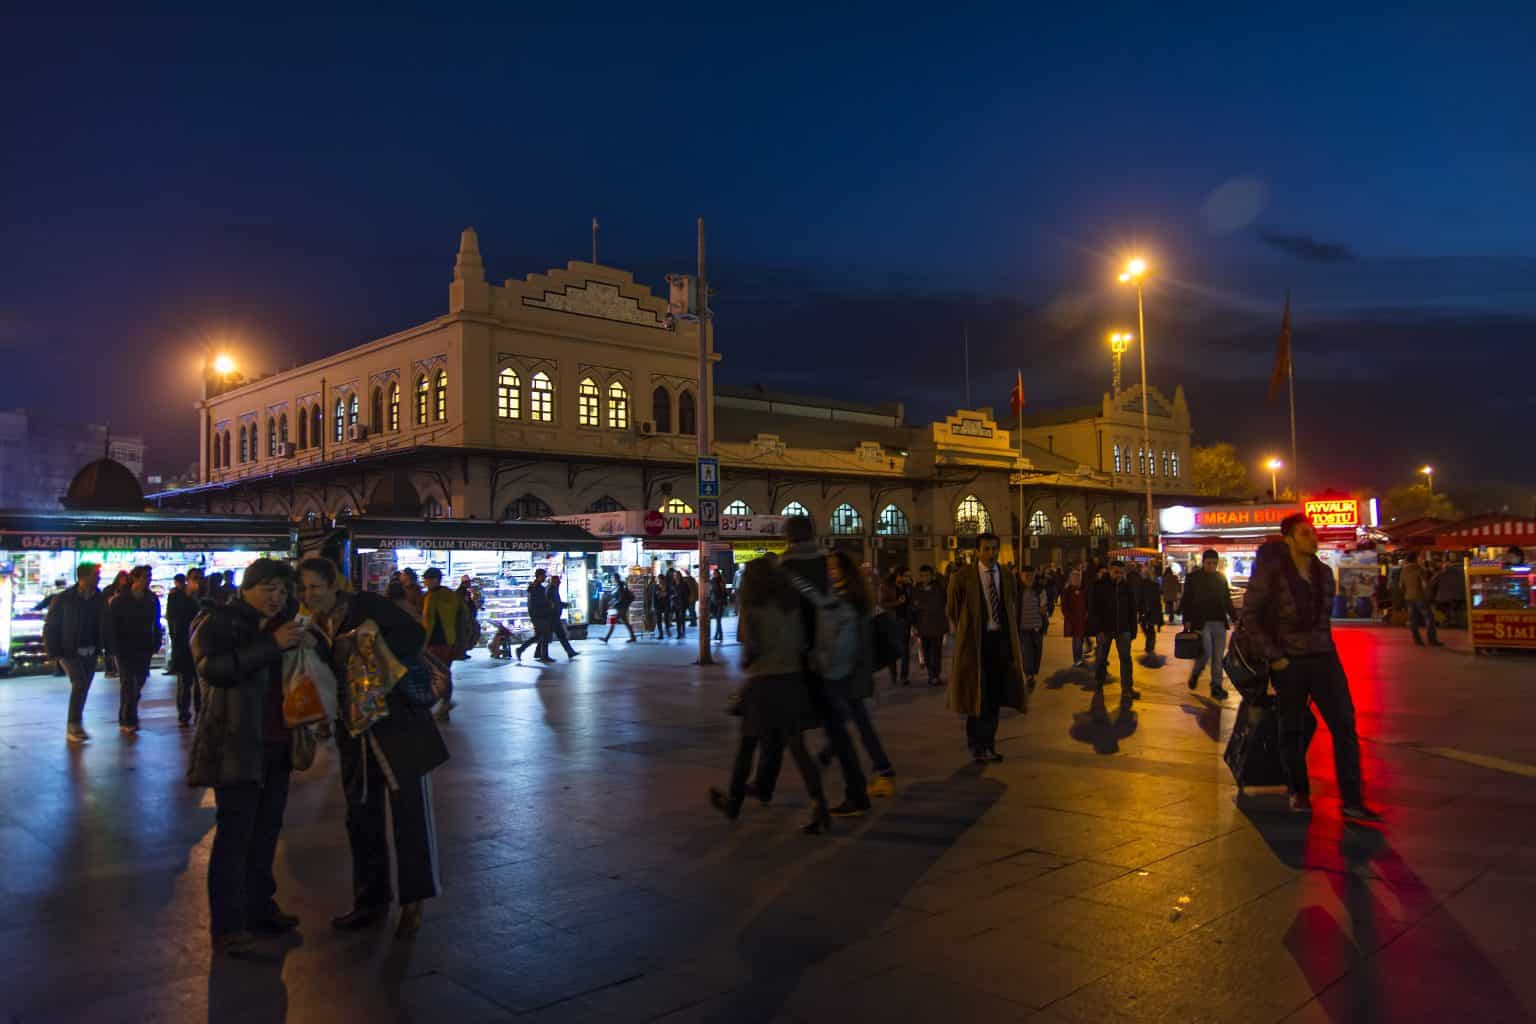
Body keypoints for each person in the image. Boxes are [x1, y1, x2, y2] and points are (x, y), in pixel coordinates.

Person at [297, 557, 449, 938]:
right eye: (304, 588)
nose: (309, 595)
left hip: (399, 728)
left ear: (335, 585)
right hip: (353, 733)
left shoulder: (367, 606)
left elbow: (414, 637)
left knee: (409, 816)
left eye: (315, 586)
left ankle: (414, 901)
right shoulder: (312, 627)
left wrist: (372, 637)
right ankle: (370, 901)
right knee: (360, 817)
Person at [188, 558, 304, 958]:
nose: (277, 597)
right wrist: (270, 646)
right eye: (269, 588)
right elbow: (212, 668)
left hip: (277, 743)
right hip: (236, 744)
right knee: (235, 837)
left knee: (267, 831)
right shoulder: (219, 622)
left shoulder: (286, 625)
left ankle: (261, 908)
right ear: (248, 586)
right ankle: (228, 925)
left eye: (283, 590)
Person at [1242, 515, 1381, 821]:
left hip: (1323, 657)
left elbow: (1323, 620)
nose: (1313, 538)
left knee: (1344, 725)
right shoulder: (1273, 574)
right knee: (1291, 727)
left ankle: (1352, 799)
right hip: (1288, 661)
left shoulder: (1324, 573)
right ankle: (1298, 790)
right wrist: (1274, 656)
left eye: (1314, 533)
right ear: (1289, 539)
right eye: (1305, 534)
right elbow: (1249, 616)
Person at [709, 558, 830, 834]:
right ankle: (819, 805)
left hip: (764, 684)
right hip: (792, 681)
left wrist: (747, 662)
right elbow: (801, 645)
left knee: (747, 746)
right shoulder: (791, 607)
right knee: (799, 749)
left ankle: (733, 803)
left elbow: (751, 651)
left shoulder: (753, 609)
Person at [781, 516, 869, 815]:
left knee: (792, 735)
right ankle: (856, 793)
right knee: (836, 730)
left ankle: (816, 802)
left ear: (788, 536)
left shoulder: (784, 569)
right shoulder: (825, 564)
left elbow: (784, 616)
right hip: (827, 655)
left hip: (800, 659)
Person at [945, 532, 1029, 764]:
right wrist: (966, 629)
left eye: (994, 549)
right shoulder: (963, 577)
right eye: (986, 549)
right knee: (977, 697)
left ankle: (989, 744)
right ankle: (976, 745)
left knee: (994, 697)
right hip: (975, 645)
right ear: (977, 552)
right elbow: (952, 609)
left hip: (999, 643)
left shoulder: (1007, 577)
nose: (991, 554)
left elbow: (1010, 606)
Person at [824, 550, 896, 799]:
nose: (831, 573)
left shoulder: (849, 599)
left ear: (845, 572)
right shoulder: (847, 595)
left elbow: (851, 642)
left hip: (849, 673)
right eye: (829, 569)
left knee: (859, 724)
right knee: (852, 720)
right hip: (851, 672)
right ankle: (829, 753)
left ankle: (884, 771)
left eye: (834, 569)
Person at [43, 562, 106, 743]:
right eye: (95, 574)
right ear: (83, 577)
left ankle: (76, 723)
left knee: (84, 686)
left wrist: (106, 646)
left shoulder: (98, 598)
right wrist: (54, 652)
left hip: (91, 649)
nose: (98, 578)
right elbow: (51, 626)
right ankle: (74, 725)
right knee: (79, 683)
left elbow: (104, 623)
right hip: (68, 650)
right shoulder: (64, 599)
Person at [104, 565, 163, 734]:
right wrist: (113, 647)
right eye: (145, 577)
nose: (148, 580)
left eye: (150, 577)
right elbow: (112, 625)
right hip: (125, 647)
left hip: (144, 646)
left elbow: (156, 622)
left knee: (140, 680)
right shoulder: (120, 600)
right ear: (135, 578)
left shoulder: (151, 599)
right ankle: (128, 717)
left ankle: (130, 712)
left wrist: (156, 641)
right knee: (128, 683)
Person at [1181, 549, 1236, 700]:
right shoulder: (1193, 578)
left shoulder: (1220, 578)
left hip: (1219, 621)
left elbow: (1227, 600)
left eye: (1214, 563)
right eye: (1209, 563)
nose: (1212, 566)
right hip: (1201, 622)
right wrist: (1186, 620)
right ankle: (1196, 673)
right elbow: (1187, 599)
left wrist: (1235, 618)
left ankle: (1216, 686)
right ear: (1203, 562)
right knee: (1206, 653)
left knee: (1218, 656)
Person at [1087, 560, 1140, 701]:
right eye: (1116, 572)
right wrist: (1098, 630)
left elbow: (1132, 609)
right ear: (1110, 571)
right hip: (1105, 629)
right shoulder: (1100, 586)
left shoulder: (1127, 587)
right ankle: (1099, 681)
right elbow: (1094, 609)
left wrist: (1132, 630)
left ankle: (1127, 688)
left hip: (1123, 629)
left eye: (1122, 573)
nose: (1119, 575)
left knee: (1126, 659)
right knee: (1101, 658)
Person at [420, 568, 462, 719]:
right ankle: (445, 703)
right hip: (450, 640)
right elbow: (461, 613)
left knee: (434, 674)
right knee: (445, 673)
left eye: (426, 579)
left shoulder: (431, 597)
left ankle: (437, 705)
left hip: (435, 642)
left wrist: (422, 642)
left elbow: (428, 622)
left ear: (434, 580)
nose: (424, 582)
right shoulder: (450, 594)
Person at [166, 567, 206, 725]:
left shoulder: (202, 598)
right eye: (195, 578)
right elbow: (174, 620)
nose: (198, 581)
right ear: (188, 580)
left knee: (199, 682)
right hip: (183, 645)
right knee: (185, 681)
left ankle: (199, 712)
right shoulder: (176, 598)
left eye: (200, 578)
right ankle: (184, 714)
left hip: (200, 646)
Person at [910, 565, 948, 686]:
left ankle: (935, 675)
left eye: (927, 575)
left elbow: (940, 604)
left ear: (932, 576)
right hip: (923, 626)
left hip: (937, 626)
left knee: (936, 653)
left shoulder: (939, 589)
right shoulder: (917, 589)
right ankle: (931, 674)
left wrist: (921, 605)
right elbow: (914, 606)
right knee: (926, 652)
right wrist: (915, 625)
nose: (924, 578)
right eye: (922, 576)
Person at [878, 567, 914, 685]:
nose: (907, 578)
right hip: (892, 621)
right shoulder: (886, 586)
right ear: (898, 575)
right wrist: (898, 603)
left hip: (905, 621)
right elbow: (883, 603)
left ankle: (904, 676)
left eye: (908, 576)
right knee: (893, 649)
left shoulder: (908, 586)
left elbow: (911, 602)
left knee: (905, 650)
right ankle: (893, 674)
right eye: (905, 576)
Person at [1398, 552, 1441, 647]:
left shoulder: (1403, 570)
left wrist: (1407, 591)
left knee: (1413, 619)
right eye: (1419, 558)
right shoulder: (1420, 569)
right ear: (1415, 559)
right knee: (1429, 618)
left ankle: (1417, 639)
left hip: (1408, 597)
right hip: (1420, 596)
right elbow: (1425, 584)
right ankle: (1432, 639)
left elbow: (1401, 586)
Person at [1015, 564, 1047, 690]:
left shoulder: (1039, 589)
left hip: (1037, 627)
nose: (1028, 578)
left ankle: (1032, 673)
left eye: (1031, 575)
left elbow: (1044, 605)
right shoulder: (1017, 590)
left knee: (1037, 652)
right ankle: (1029, 676)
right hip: (1023, 627)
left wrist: (1044, 609)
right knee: (1027, 651)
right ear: (1021, 576)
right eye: (1026, 575)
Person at [516, 568, 554, 662]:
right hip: (539, 615)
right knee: (544, 635)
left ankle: (522, 649)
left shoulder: (534, 586)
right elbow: (539, 601)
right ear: (539, 576)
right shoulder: (537, 587)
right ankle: (543, 656)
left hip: (536, 614)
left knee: (539, 635)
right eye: (544, 575)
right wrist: (549, 604)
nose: (545, 577)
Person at [1059, 568, 1089, 668]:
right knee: (1077, 640)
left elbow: (1085, 603)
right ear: (1071, 579)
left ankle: (1079, 658)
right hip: (1073, 620)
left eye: (1078, 578)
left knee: (1080, 639)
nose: (1077, 580)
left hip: (1082, 620)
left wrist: (1086, 614)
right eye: (1075, 578)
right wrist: (1068, 617)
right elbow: (1064, 605)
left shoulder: (1082, 589)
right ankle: (1077, 659)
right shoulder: (1068, 590)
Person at [546, 575, 580, 659]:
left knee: (559, 636)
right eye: (558, 581)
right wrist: (564, 605)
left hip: (554, 616)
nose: (560, 583)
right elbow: (555, 603)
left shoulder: (551, 589)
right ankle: (570, 652)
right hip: (553, 617)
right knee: (554, 636)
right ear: (554, 582)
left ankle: (570, 652)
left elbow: (555, 602)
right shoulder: (552, 589)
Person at [601, 573, 638, 642]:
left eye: (612, 577)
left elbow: (621, 598)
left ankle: (607, 638)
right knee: (625, 622)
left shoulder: (621, 586)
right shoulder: (619, 585)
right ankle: (633, 637)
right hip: (621, 607)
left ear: (616, 578)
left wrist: (613, 603)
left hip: (621, 607)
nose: (611, 579)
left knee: (613, 622)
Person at [1137, 565, 1164, 655]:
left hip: (1145, 611)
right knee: (1150, 628)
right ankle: (1150, 644)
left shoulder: (1141, 585)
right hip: (1152, 611)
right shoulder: (1154, 585)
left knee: (1146, 627)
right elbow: (1158, 602)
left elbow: (1139, 599)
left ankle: (1150, 644)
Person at [709, 566, 728, 643]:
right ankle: (718, 634)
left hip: (718, 602)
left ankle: (719, 635)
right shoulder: (713, 581)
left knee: (718, 619)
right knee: (717, 620)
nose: (714, 574)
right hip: (715, 602)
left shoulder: (719, 581)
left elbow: (723, 592)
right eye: (714, 573)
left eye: (715, 573)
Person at [670, 569, 689, 641]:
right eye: (675, 575)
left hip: (682, 603)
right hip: (675, 603)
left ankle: (682, 631)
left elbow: (687, 593)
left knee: (682, 618)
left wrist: (683, 597)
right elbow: (670, 593)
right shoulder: (673, 584)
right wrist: (672, 596)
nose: (676, 577)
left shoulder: (684, 584)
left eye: (677, 575)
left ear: (680, 576)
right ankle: (679, 633)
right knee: (678, 618)